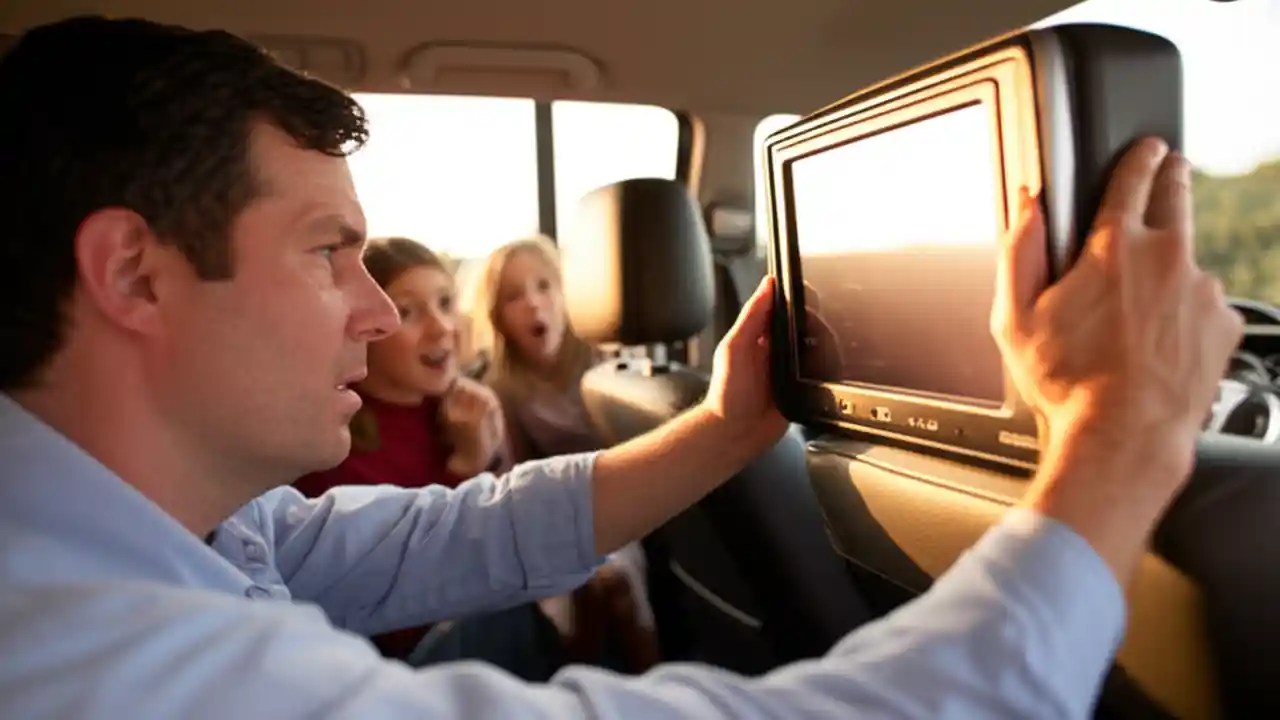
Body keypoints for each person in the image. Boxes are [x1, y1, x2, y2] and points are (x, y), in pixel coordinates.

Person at [0, 15, 1242, 720]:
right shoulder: (100, 659)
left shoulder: (192, 529)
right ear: (134, 277)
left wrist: (720, 426)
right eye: (330, 253)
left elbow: (458, 535)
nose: (376, 313)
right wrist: (1122, 439)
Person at [291, 237, 562, 675]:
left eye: (445, 303)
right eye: (408, 312)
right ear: (367, 327)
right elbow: (403, 604)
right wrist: (467, 468)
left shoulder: (465, 409)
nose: (442, 329)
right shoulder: (334, 445)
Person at [466, 235, 660, 670]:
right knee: (572, 593)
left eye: (544, 286)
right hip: (556, 509)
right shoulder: (503, 387)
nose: (534, 304)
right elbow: (514, 476)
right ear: (498, 316)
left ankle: (651, 678)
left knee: (617, 583)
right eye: (514, 296)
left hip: (623, 500)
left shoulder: (604, 362)